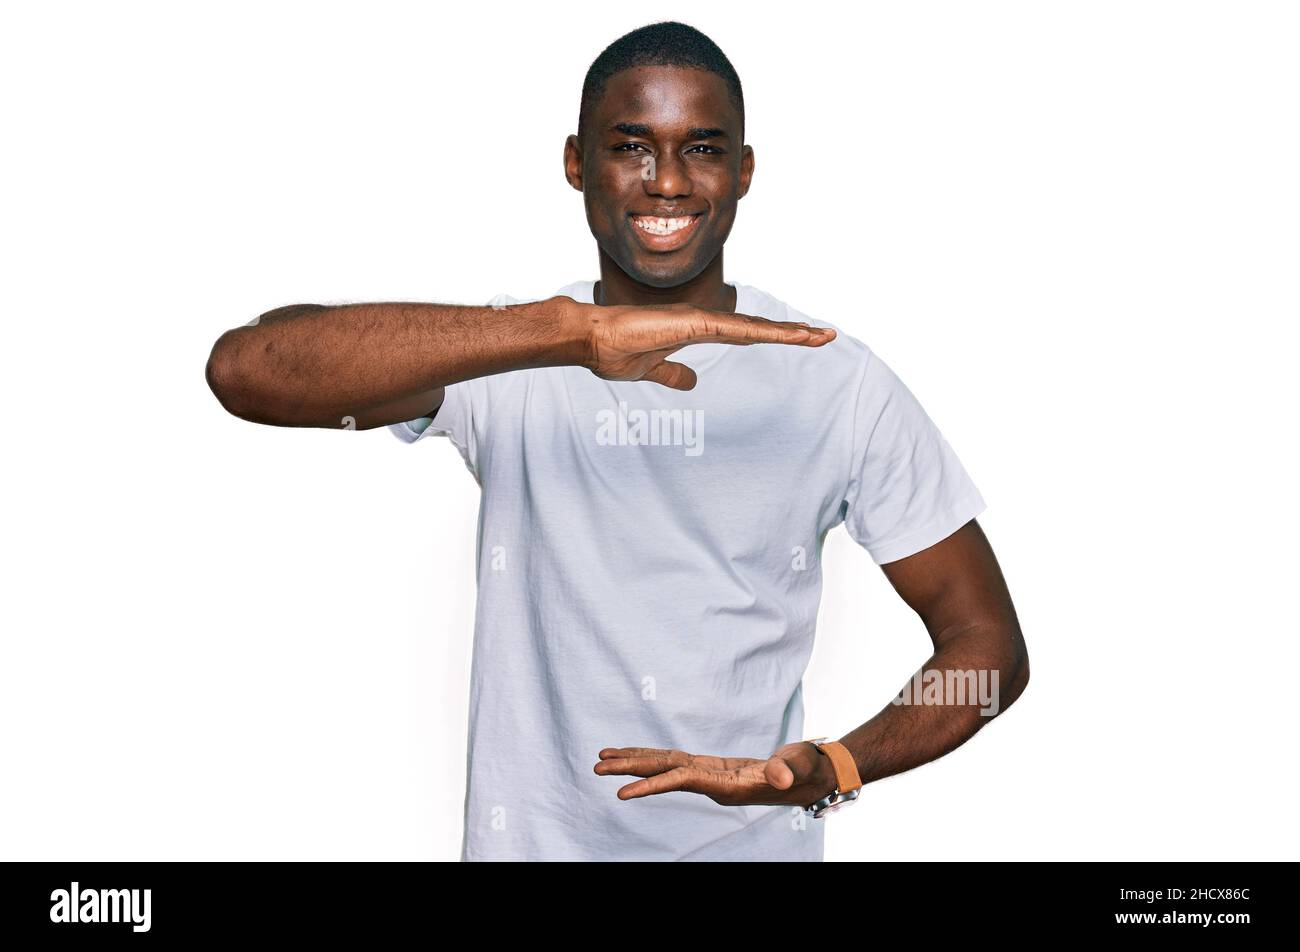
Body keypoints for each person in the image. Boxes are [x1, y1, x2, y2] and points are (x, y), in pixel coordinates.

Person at [205, 20, 1029, 862]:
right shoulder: (514, 353)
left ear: (743, 171)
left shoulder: (832, 378)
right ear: (575, 163)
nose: (665, 181)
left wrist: (839, 764)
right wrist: (564, 336)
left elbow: (987, 650)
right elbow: (247, 369)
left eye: (701, 149)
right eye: (632, 146)